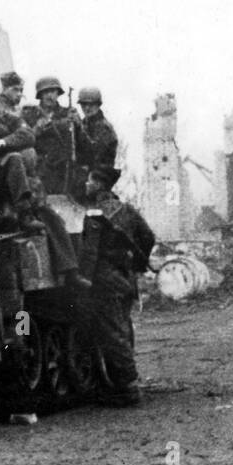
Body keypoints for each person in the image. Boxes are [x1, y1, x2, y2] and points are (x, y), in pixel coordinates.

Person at [0, 83, 89, 289]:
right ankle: (24, 212)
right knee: (14, 159)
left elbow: (28, 135)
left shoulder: (9, 119)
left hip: (16, 184)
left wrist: (0, 143)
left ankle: (70, 270)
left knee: (51, 218)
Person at [80, 171, 156, 407]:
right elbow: (148, 237)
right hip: (125, 278)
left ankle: (128, 388)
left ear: (100, 185)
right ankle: (120, 383)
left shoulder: (95, 214)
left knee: (113, 333)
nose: (86, 184)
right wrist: (136, 263)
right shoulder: (127, 210)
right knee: (122, 329)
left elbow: (90, 251)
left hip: (105, 279)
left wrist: (83, 280)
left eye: (91, 180)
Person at [76, 86, 120, 193]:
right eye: (84, 104)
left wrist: (79, 128)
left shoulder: (105, 128)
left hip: (100, 176)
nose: (87, 108)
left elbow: (94, 153)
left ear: (98, 105)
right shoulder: (84, 123)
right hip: (84, 175)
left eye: (91, 104)